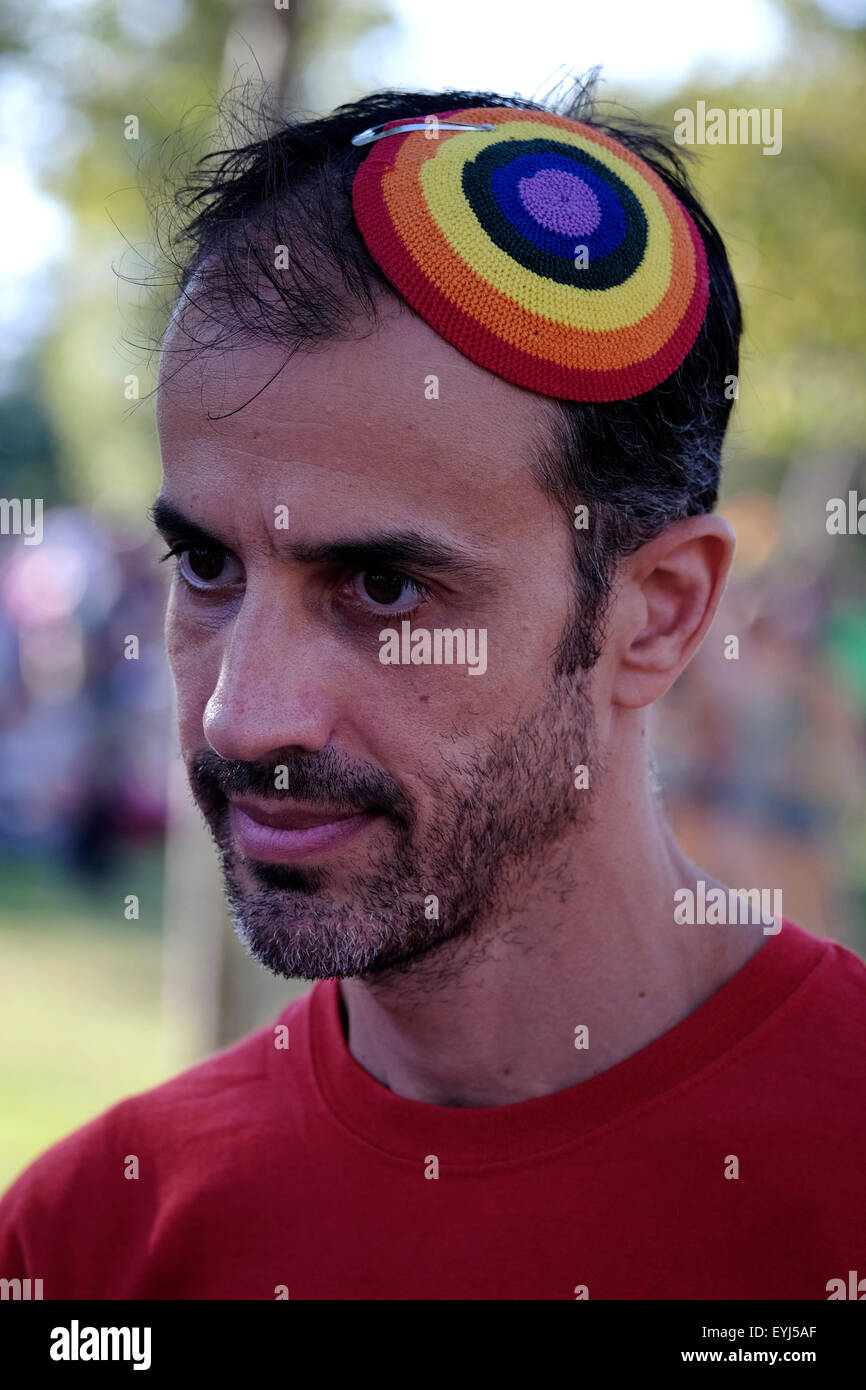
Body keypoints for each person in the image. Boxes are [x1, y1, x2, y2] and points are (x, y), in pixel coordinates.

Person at [1, 80, 864, 1302]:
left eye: (385, 588)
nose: (242, 717)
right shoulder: (87, 1248)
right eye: (206, 566)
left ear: (657, 612)